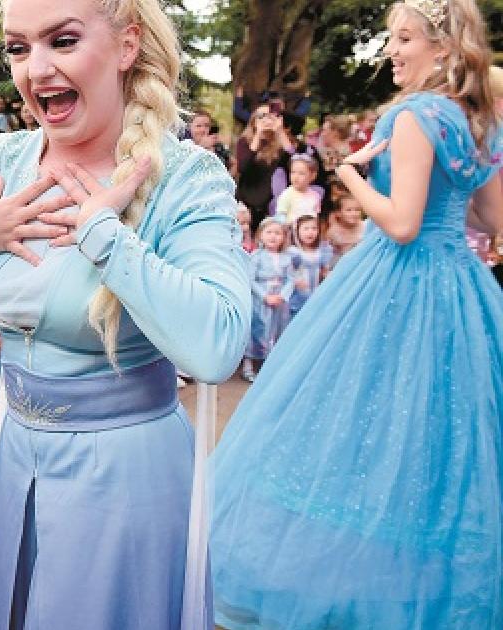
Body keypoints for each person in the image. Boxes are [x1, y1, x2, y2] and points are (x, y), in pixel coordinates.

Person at [0, 0, 251, 627]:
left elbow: (217, 348)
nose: (37, 69)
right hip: (12, 457)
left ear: (127, 45)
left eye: (63, 41)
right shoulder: (0, 163)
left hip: (124, 476)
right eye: (19, 48)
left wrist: (106, 238)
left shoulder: (184, 178)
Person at [212, 0, 503, 626]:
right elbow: (491, 219)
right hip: (462, 285)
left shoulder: (415, 116)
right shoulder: (479, 120)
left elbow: (399, 224)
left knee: (359, 430)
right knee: (440, 441)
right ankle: (423, 582)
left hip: (396, 284)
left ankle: (354, 582)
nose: (390, 49)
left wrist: (351, 173)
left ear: (444, 48)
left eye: (402, 39)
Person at [240, 218, 293, 382]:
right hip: (260, 300)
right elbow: (250, 279)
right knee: (258, 330)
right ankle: (248, 364)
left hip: (278, 302)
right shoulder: (256, 256)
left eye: (278, 233)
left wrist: (282, 296)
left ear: (284, 237)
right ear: (261, 235)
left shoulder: (286, 258)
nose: (273, 236)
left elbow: (290, 279)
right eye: (269, 232)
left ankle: (267, 364)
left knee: (275, 331)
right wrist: (265, 296)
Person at [236, 101, 296, 227]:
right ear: (254, 120)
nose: (267, 119)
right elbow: (243, 168)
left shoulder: (282, 142)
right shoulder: (244, 141)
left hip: (273, 206)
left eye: (270, 115)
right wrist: (258, 134)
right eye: (262, 116)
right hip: (248, 204)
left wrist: (280, 132)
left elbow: (296, 162)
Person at [287, 213, 333, 315]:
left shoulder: (322, 250)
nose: (310, 232)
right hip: (298, 294)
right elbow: (287, 273)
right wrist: (295, 280)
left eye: (314, 228)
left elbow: (325, 271)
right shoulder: (293, 252)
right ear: (297, 232)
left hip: (317, 292)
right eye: (306, 229)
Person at [275, 153, 322, 225]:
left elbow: (316, 217)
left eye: (301, 173)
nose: (295, 177)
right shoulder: (287, 194)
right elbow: (280, 217)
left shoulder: (315, 196)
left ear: (313, 175)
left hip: (309, 232)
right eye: (293, 172)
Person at [326, 194, 366, 266]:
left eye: (357, 210)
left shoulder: (365, 226)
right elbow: (328, 254)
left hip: (362, 263)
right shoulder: (334, 232)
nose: (354, 214)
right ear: (338, 213)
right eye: (349, 210)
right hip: (342, 265)